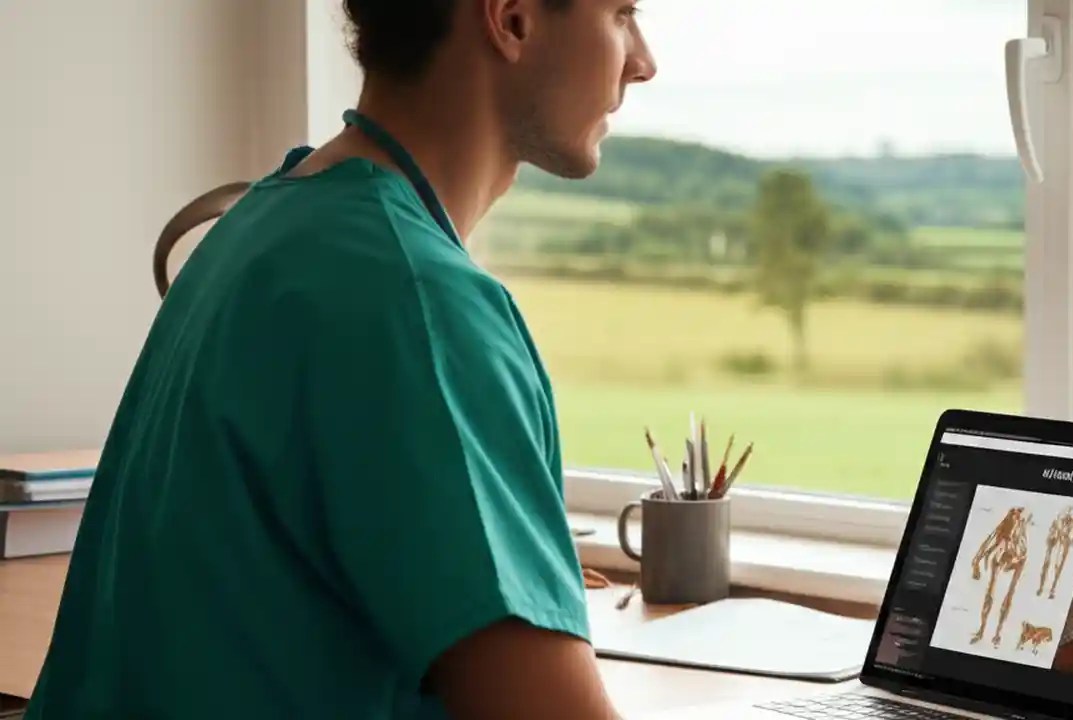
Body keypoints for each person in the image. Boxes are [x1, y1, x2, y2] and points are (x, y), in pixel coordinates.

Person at [24, 0, 656, 718]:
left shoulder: (261, 229)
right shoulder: (415, 299)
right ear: (511, 19)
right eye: (621, 13)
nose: (643, 60)